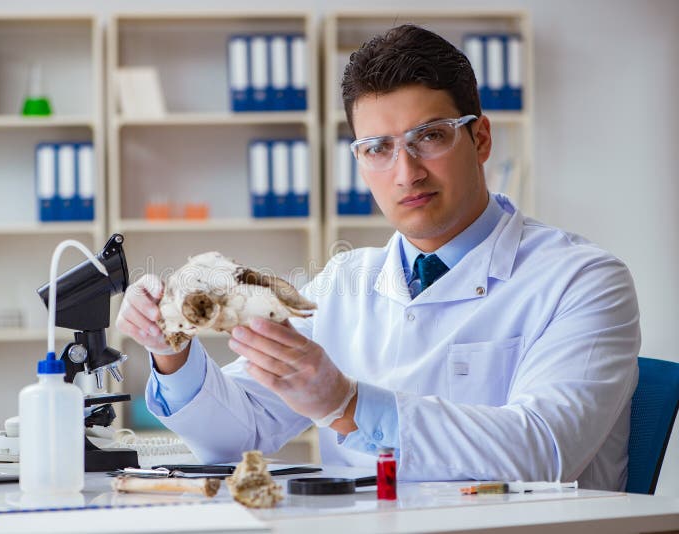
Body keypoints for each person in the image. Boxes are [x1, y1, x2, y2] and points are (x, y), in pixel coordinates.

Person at [116, 24, 640, 491]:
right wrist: (172, 352)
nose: (406, 172)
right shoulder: (347, 280)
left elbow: (546, 451)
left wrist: (349, 405)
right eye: (378, 148)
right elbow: (239, 433)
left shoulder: (583, 280)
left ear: (480, 139)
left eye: (429, 137)